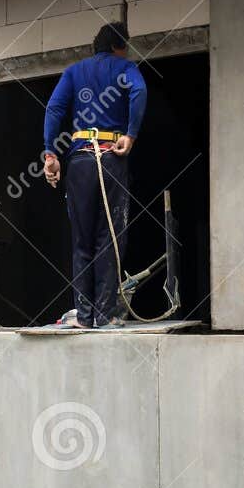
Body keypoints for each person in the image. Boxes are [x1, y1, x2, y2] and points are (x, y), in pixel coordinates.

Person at [41, 23, 148, 328]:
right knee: (110, 237)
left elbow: (53, 109)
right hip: (111, 157)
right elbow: (139, 91)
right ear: (120, 46)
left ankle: (84, 316)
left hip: (80, 161)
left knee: (82, 240)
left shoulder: (74, 72)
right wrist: (131, 134)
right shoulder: (125, 67)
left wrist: (51, 153)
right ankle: (105, 313)